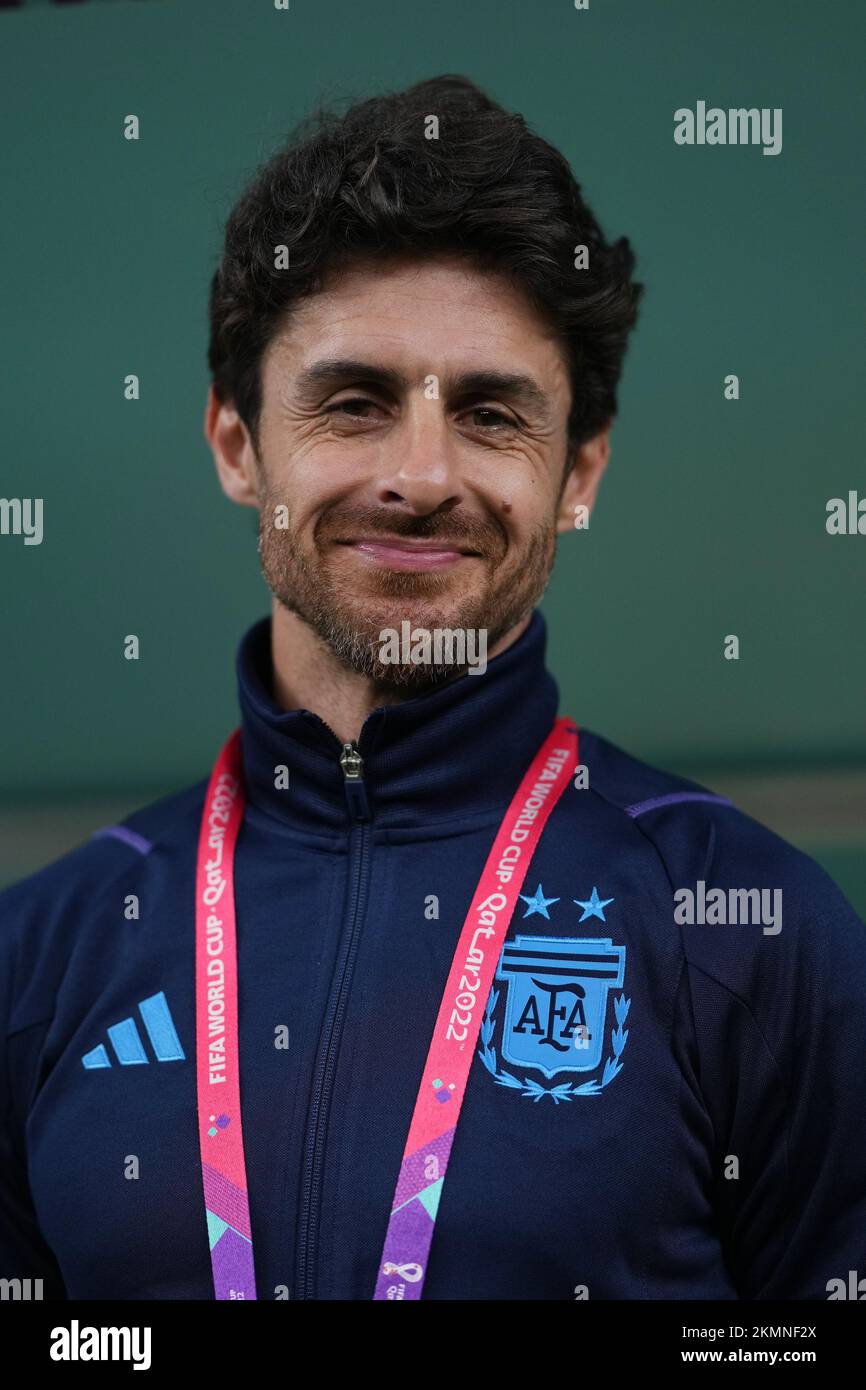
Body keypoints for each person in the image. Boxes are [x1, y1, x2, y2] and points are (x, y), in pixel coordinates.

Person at [1, 74, 864, 1302]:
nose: (419, 475)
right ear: (238, 444)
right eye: (351, 403)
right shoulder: (42, 958)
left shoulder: (751, 935)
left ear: (580, 473)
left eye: (490, 412)